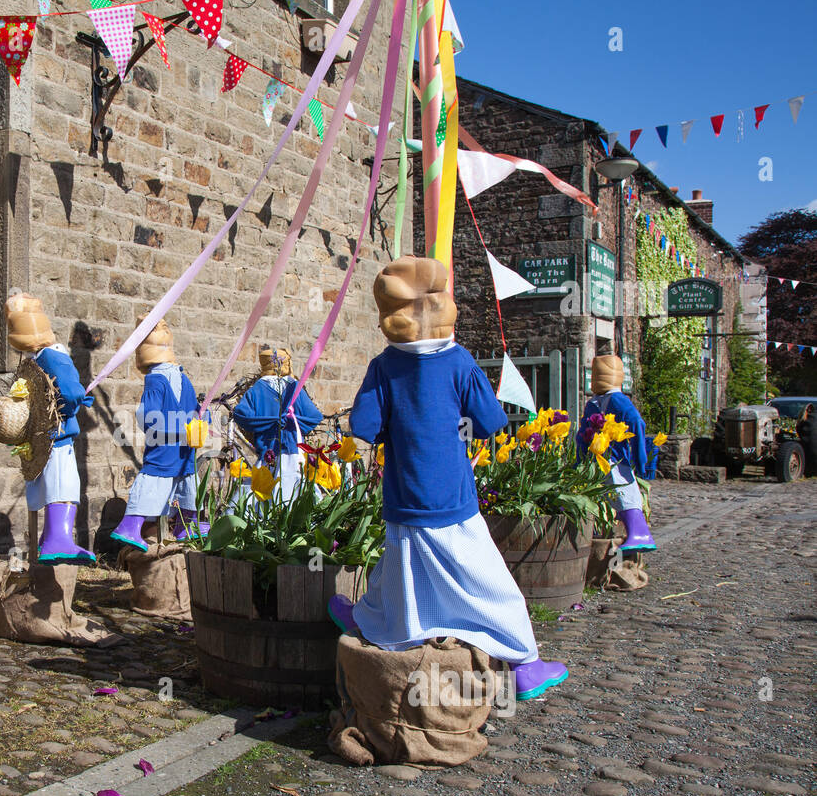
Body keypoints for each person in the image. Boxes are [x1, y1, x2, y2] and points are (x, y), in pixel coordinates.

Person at [328, 256, 568, 701]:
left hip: (404, 492)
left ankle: (374, 622)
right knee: (484, 576)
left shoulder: (384, 367)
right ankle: (525, 660)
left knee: (403, 559)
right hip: (452, 494)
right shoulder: (459, 361)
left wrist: (397, 426)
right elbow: (491, 421)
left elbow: (363, 426)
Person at [7, 293, 96, 565]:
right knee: (65, 488)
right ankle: (59, 540)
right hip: (58, 437)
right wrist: (76, 402)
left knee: (49, 489)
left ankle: (48, 539)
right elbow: (69, 393)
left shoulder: (34, 362)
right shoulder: (57, 358)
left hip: (39, 440)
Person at [110, 320, 208, 549]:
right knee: (154, 482)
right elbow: (147, 418)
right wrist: (180, 427)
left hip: (185, 451)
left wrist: (202, 419)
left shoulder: (182, 376)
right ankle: (130, 525)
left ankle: (187, 524)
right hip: (164, 448)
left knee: (187, 482)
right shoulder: (155, 379)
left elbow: (194, 408)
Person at [579, 354, 656, 554]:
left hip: (615, 458)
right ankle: (613, 534)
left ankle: (640, 534)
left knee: (623, 492)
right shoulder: (595, 402)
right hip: (598, 460)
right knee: (609, 496)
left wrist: (640, 460)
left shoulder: (619, 400)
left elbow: (637, 424)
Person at [230, 345, 322, 502]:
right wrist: (293, 426)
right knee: (294, 496)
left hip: (268, 454)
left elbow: (240, 414)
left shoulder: (257, 389)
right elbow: (314, 416)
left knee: (261, 498)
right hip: (294, 452)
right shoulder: (295, 388)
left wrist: (265, 424)